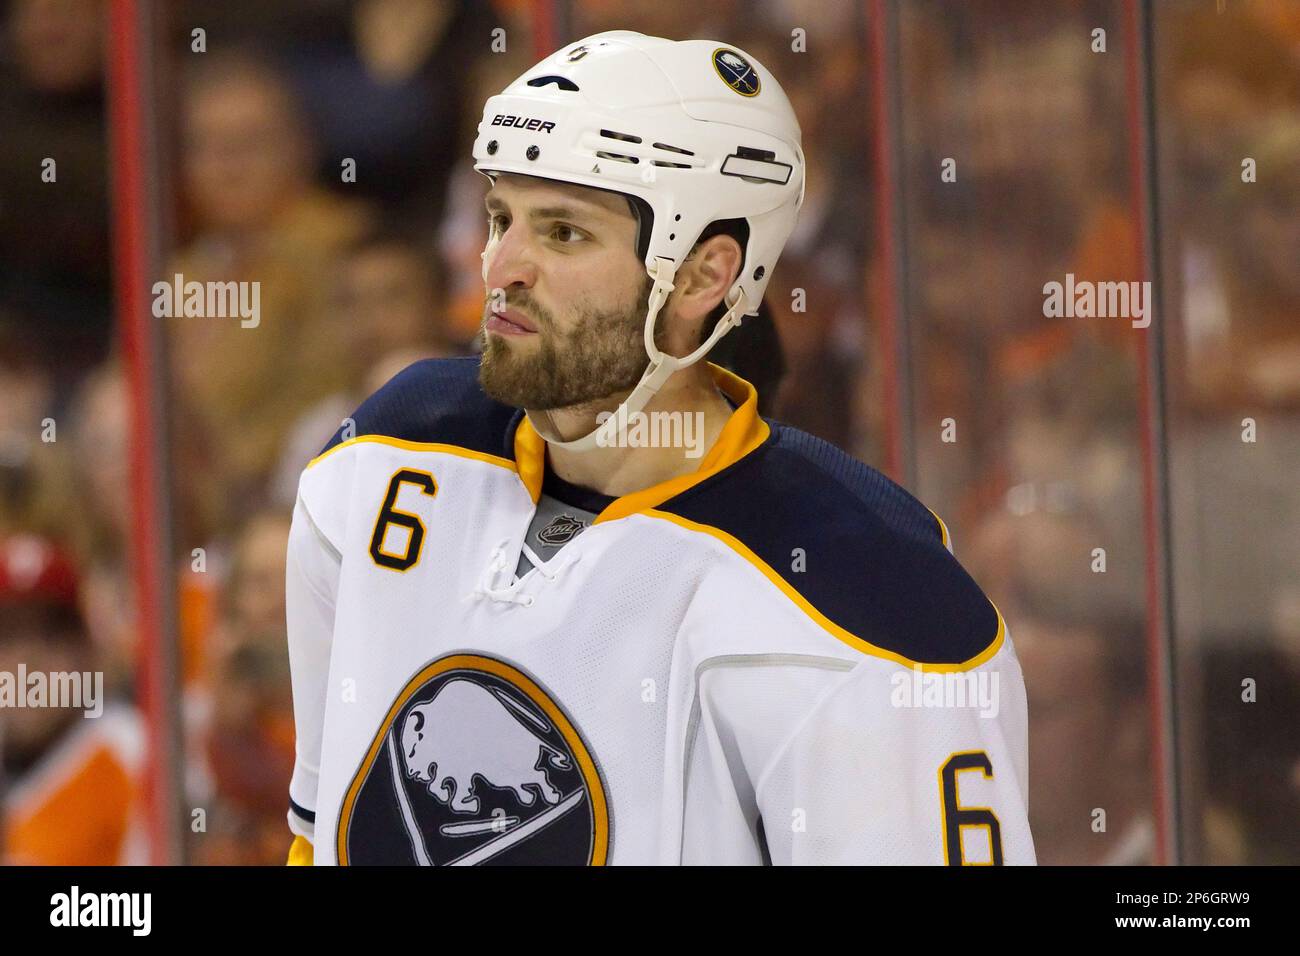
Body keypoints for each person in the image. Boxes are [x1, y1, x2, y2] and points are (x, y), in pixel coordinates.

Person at [284, 31, 1035, 865]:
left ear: (703, 276)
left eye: (562, 233)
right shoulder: (385, 455)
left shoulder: (867, 594)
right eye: (501, 217)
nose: (500, 267)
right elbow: (318, 837)